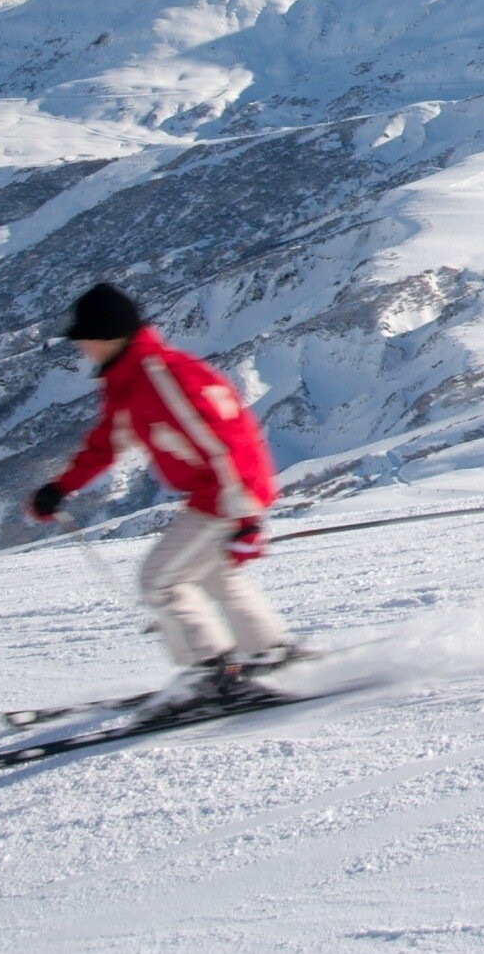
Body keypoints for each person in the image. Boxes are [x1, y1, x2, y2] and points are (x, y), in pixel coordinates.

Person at [26, 282, 303, 702]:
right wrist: (60, 488)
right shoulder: (130, 381)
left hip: (227, 494)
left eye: (84, 339)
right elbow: (105, 444)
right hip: (222, 493)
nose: (80, 348)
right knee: (213, 574)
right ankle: (269, 651)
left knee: (159, 581)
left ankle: (209, 672)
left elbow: (221, 441)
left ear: (107, 335)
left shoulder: (160, 377)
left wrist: (244, 518)